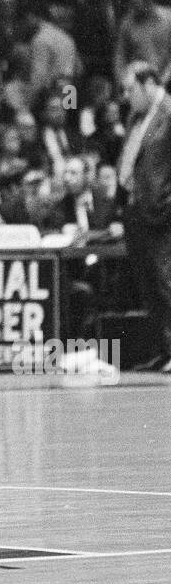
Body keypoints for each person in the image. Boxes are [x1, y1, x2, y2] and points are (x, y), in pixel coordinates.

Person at [117, 62, 171, 371]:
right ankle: (165, 348)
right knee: (148, 284)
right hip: (136, 208)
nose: (126, 96)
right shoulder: (135, 116)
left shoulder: (169, 111)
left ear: (149, 83)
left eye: (130, 89)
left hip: (161, 210)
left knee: (166, 280)